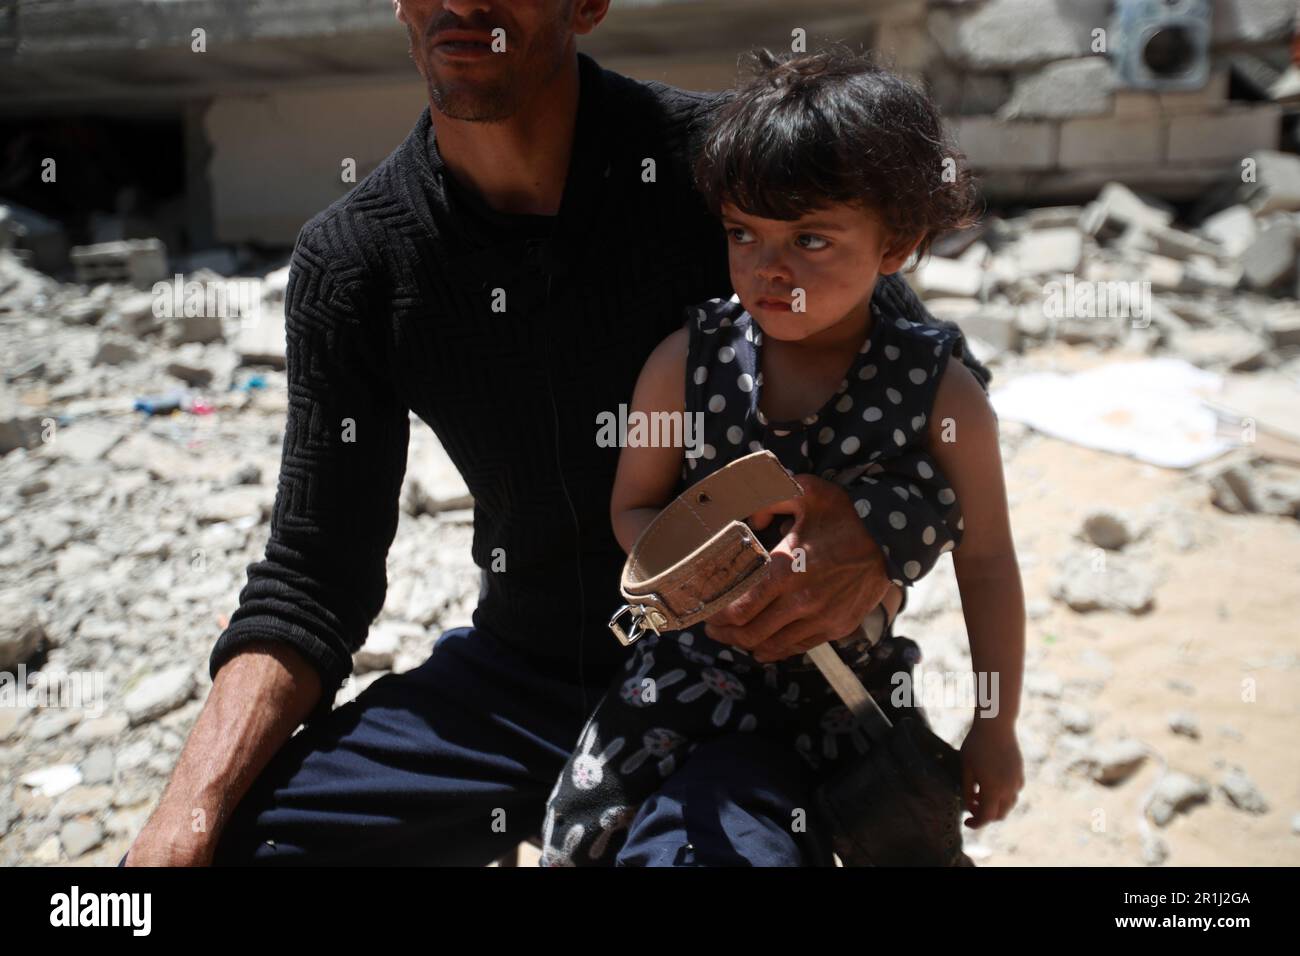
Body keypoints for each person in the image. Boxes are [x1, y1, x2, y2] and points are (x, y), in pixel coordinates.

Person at [123, 0, 990, 867]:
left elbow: (945, 396)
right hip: (516, 678)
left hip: (745, 683)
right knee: (221, 855)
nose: (461, 3)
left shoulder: (731, 173)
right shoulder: (354, 262)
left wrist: (873, 526)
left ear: (588, 5)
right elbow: (314, 575)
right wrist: (190, 813)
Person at [541, 48, 1025, 866]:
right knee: (583, 837)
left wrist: (995, 725)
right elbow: (634, 506)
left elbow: (987, 563)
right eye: (743, 234)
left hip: (851, 685)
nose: (770, 269)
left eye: (810, 239)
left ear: (897, 244)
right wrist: (700, 578)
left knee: (908, 839)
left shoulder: (942, 397)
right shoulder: (683, 365)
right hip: (689, 668)